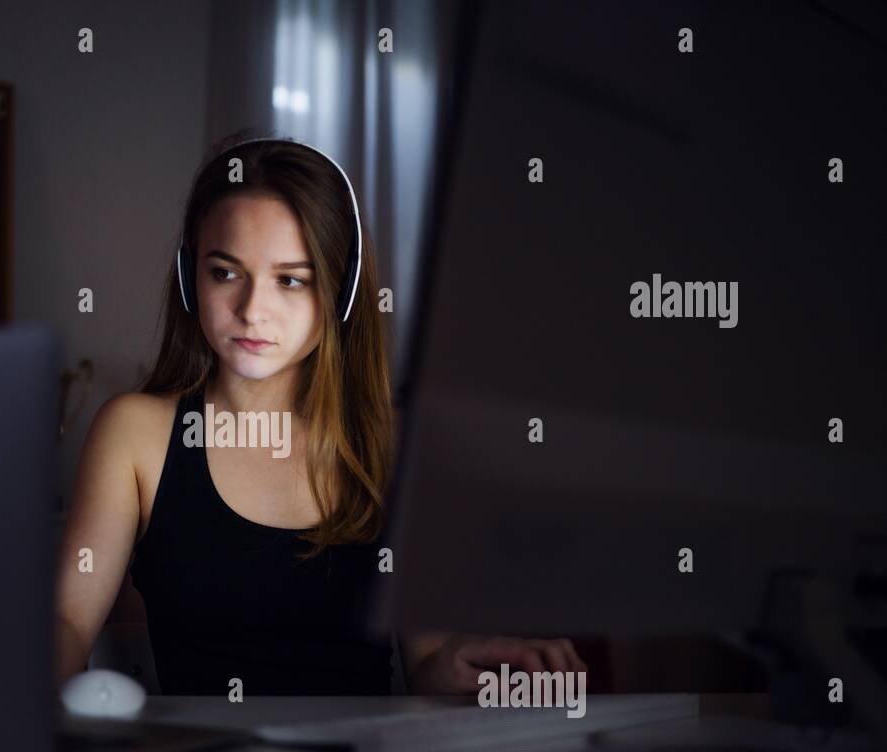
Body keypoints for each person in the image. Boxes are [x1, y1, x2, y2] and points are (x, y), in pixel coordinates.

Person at [55, 134, 585, 693]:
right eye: (226, 272)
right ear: (191, 277)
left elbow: (427, 660)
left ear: (342, 292)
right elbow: (67, 619)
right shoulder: (135, 433)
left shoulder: (396, 446)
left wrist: (462, 670)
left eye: (291, 280)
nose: (252, 310)